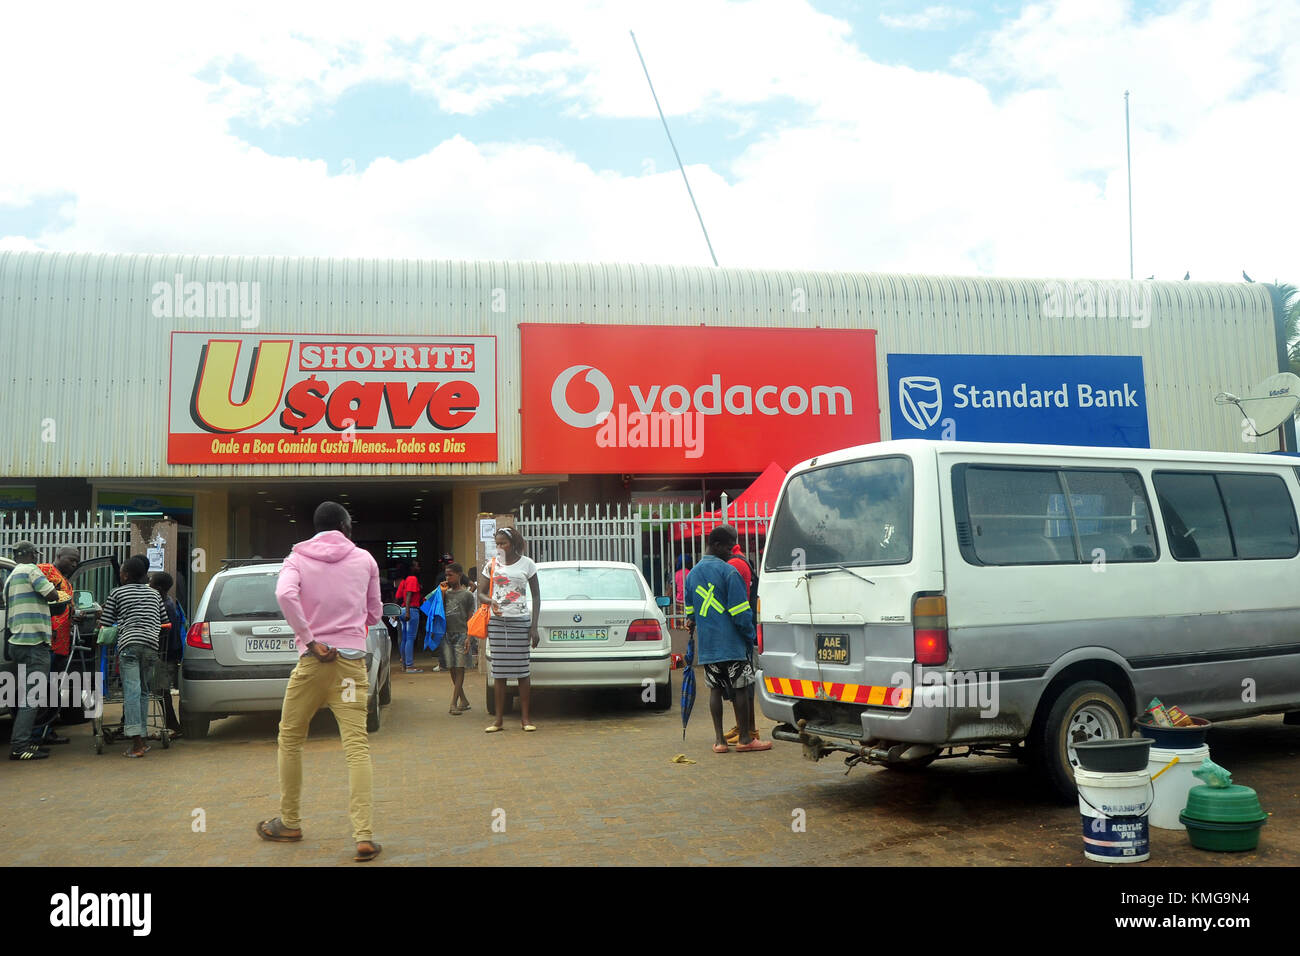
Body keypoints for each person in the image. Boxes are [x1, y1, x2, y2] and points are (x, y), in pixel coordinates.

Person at [259, 500, 383, 863]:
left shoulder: (296, 558)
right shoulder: (365, 560)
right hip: (351, 665)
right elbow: (375, 613)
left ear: (316, 527)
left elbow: (284, 594)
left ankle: (291, 822)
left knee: (291, 738)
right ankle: (363, 836)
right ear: (345, 526)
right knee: (356, 747)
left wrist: (310, 638)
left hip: (314, 662)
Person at [685, 526, 770, 753]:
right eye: (729, 546)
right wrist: (749, 636)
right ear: (717, 545)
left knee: (714, 690)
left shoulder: (691, 575)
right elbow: (740, 612)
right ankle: (745, 739)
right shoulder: (728, 572)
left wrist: (693, 621)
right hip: (732, 644)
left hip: (709, 646)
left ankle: (720, 741)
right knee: (740, 688)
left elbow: (690, 613)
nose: (731, 551)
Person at [5, 541, 70, 760]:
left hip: (17, 644)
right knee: (32, 697)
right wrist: (60, 596)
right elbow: (52, 595)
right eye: (35, 554)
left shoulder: (11, 577)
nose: (36, 558)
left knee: (25, 695)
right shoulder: (32, 571)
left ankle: (23, 741)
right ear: (32, 555)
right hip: (34, 644)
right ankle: (20, 746)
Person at [100, 555, 170, 758]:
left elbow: (106, 622)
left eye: (122, 571)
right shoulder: (155, 595)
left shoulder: (117, 593)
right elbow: (164, 623)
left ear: (126, 575)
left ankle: (137, 744)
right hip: (150, 646)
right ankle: (143, 736)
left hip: (129, 646)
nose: (120, 574)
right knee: (143, 691)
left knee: (131, 691)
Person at [478, 528, 540, 732]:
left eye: (503, 543)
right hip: (497, 623)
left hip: (520, 621)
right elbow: (481, 593)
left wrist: (534, 627)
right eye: (497, 543)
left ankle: (525, 719)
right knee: (499, 672)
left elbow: (537, 597)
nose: (500, 547)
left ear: (513, 543)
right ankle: (498, 720)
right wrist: (491, 601)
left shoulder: (528, 564)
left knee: (522, 670)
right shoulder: (492, 565)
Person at [724, 538, 761, 745]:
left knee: (744, 684)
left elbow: (738, 605)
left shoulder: (735, 565)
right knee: (740, 684)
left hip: (744, 632)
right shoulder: (739, 561)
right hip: (745, 630)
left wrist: (746, 634)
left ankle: (750, 730)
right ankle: (743, 726)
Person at [149, 571, 185, 736]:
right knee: (161, 691)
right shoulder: (168, 601)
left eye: (151, 583)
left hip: (164, 654)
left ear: (158, 588)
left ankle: (173, 725)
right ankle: (172, 724)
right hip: (167, 653)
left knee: (162, 691)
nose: (148, 585)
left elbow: (165, 633)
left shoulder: (164, 605)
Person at [439, 563, 476, 714]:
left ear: (459, 575)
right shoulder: (444, 593)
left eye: (450, 575)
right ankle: (464, 700)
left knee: (460, 669)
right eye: (446, 575)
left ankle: (453, 703)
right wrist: (440, 594)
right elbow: (436, 610)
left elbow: (470, 617)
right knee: (452, 668)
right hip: (447, 634)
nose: (448, 578)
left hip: (462, 634)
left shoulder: (467, 595)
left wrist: (469, 637)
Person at [395, 559, 423, 673]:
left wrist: (396, 611)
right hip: (411, 611)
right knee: (410, 639)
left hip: (402, 610)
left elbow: (398, 596)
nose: (419, 568)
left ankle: (405, 665)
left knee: (405, 639)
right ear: (411, 568)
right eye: (417, 566)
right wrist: (407, 611)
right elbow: (408, 595)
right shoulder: (412, 578)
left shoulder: (404, 580)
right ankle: (410, 666)